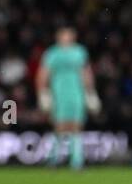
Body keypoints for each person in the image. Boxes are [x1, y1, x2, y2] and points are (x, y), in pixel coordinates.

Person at [37, 27, 100, 170]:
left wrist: (90, 92)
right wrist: (43, 93)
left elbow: (86, 72)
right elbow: (43, 74)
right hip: (59, 92)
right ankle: (53, 159)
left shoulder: (80, 52)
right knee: (60, 126)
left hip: (77, 92)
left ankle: (77, 161)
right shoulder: (52, 53)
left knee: (77, 126)